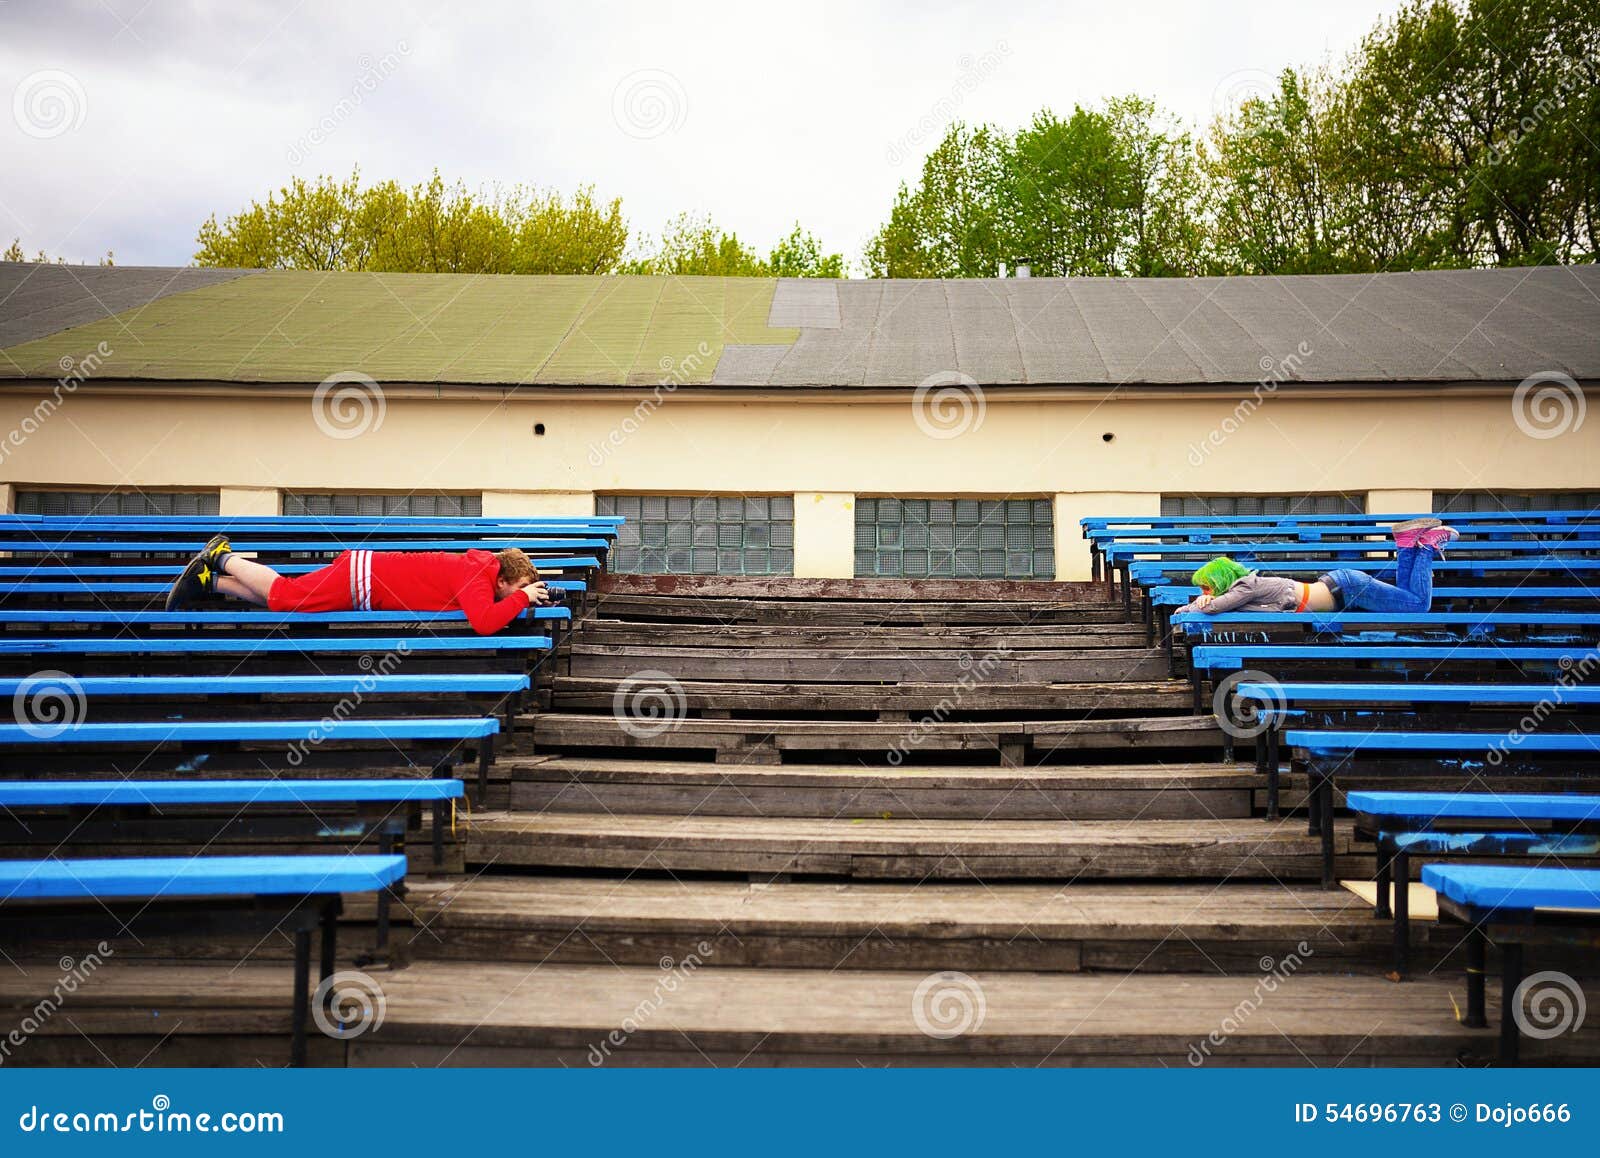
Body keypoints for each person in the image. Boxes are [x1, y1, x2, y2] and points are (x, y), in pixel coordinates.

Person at [164, 534, 554, 635]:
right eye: (515, 586)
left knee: (283, 602)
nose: (517, 593)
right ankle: (223, 556)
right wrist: (521, 598)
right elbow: (484, 622)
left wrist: (518, 595)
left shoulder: (482, 573)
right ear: (504, 578)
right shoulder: (477, 575)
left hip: (363, 582)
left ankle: (210, 581)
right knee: (284, 594)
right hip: (361, 580)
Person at [1175, 517, 1459, 616]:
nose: (1204, 591)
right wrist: (1199, 602)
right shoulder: (1244, 589)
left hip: (1349, 589)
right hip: (1343, 587)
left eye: (1206, 585)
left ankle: (1427, 546)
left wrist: (1189, 607)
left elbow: (1214, 607)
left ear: (1221, 580)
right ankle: (1407, 542)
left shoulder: (1245, 586)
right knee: (1405, 595)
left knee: (1419, 606)